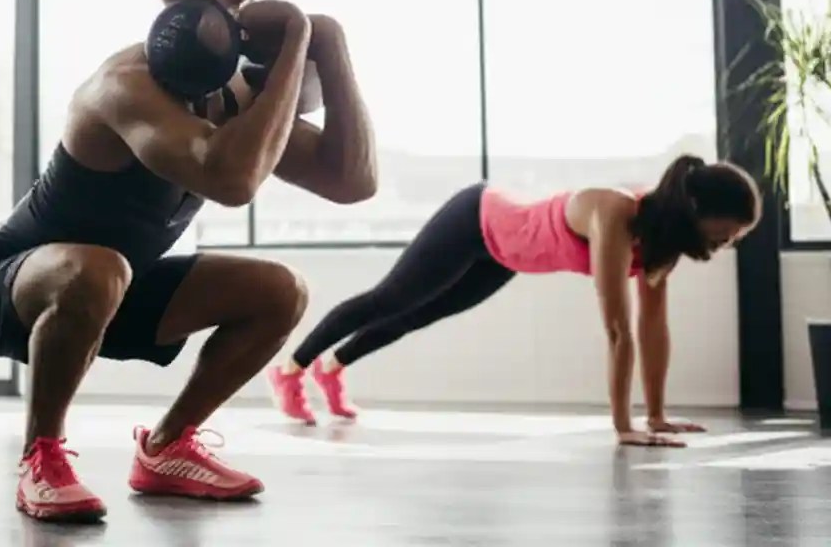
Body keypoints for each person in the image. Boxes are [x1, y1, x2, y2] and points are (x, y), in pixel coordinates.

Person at [0, 0, 377, 522]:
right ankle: (40, 458)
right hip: (11, 286)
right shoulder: (125, 84)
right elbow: (232, 181)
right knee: (97, 268)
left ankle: (167, 450)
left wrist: (327, 44)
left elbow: (352, 182)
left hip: (120, 284)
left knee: (279, 291)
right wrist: (292, 43)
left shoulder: (236, 96)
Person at [267, 155, 761, 448]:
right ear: (698, 210)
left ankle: (332, 367)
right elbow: (617, 329)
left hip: (505, 255)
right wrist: (623, 426)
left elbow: (654, 329)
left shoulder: (660, 246)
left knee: (420, 313)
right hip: (476, 218)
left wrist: (655, 416)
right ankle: (290, 370)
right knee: (389, 299)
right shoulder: (617, 212)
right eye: (728, 232)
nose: (729, 241)